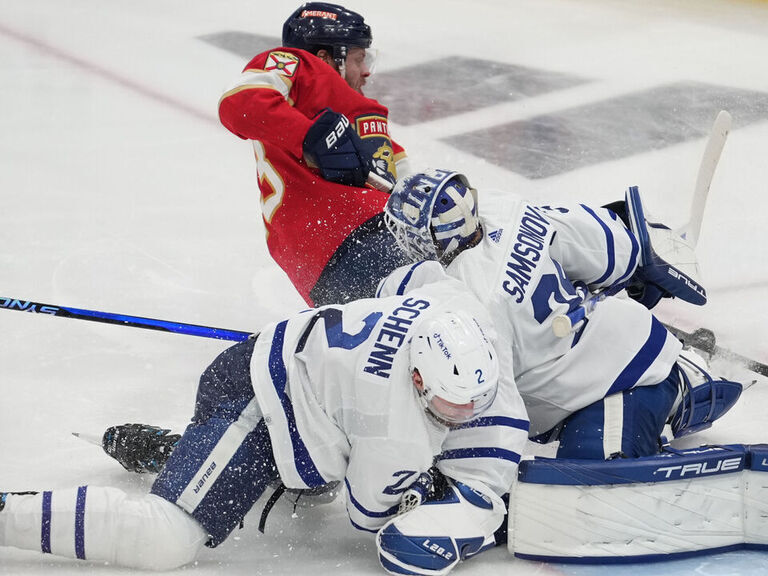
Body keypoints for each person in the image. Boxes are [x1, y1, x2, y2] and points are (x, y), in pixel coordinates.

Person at [0, 278, 530, 575]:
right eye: (453, 405)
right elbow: (369, 514)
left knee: (315, 491)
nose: (468, 414)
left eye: (475, 401)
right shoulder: (397, 433)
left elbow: (407, 281)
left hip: (281, 376)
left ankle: (176, 454)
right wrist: (428, 492)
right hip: (257, 409)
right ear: (416, 375)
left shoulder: (454, 309)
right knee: (163, 540)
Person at [382, 168, 743, 459]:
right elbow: (607, 247)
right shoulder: (504, 209)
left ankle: (680, 386)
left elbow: (494, 407)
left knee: (595, 476)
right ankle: (676, 376)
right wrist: (635, 270)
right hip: (613, 343)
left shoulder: (473, 302)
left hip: (616, 381)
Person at [219, 2, 412, 307]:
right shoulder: (298, 66)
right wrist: (310, 137)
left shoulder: (364, 117)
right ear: (326, 57)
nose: (366, 71)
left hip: (350, 249)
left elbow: (409, 185)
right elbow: (240, 104)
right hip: (348, 240)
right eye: (359, 58)